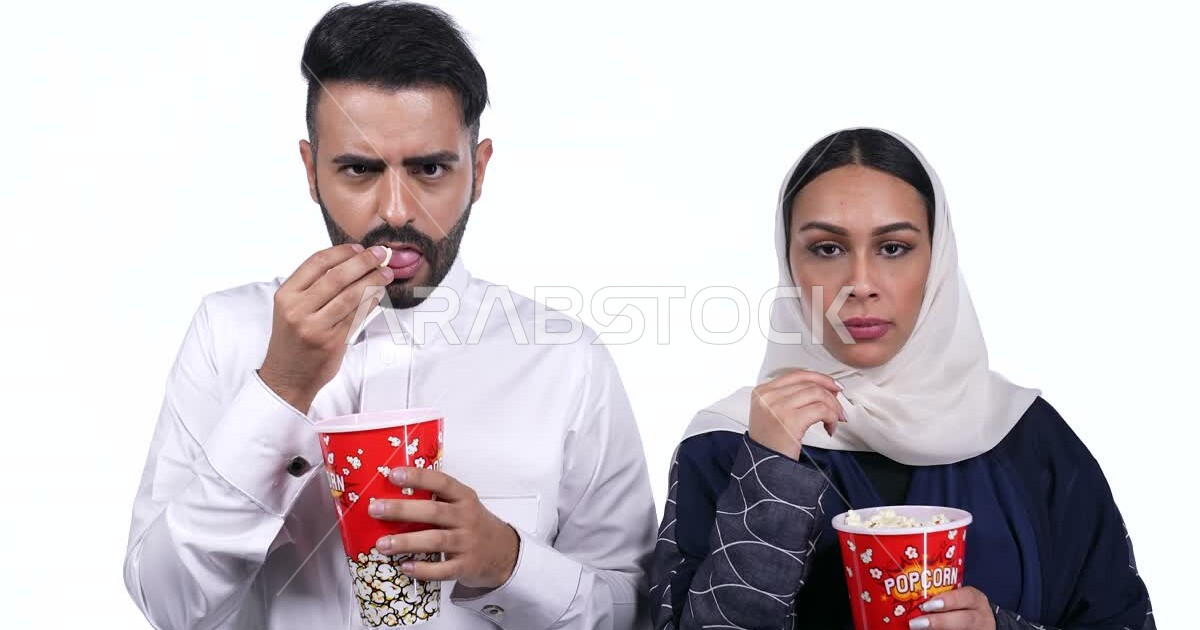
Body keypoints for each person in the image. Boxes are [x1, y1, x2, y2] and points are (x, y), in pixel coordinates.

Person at [122, 3, 657, 628]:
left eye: (430, 169)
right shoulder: (228, 333)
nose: (397, 210)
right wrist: (282, 390)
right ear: (311, 172)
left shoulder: (566, 360)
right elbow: (169, 605)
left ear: (479, 170)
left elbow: (634, 612)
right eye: (359, 169)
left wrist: (508, 563)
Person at [649, 128, 1155, 630]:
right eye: (827, 249)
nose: (861, 284)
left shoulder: (1025, 436)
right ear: (788, 261)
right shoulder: (728, 441)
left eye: (893, 248)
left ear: (937, 260)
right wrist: (769, 474)